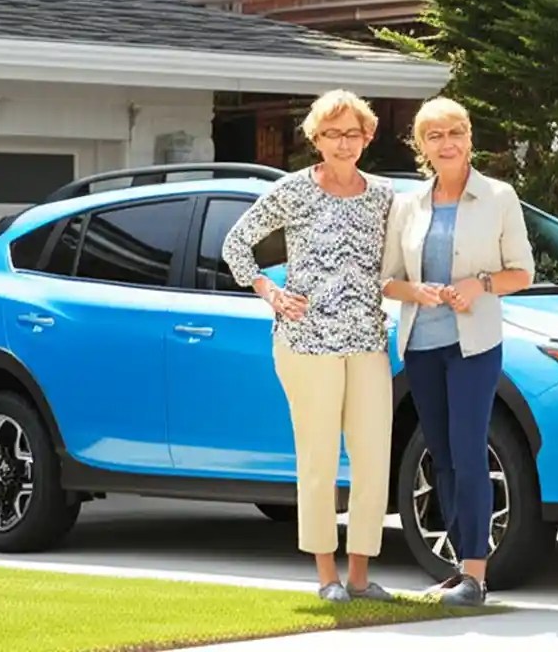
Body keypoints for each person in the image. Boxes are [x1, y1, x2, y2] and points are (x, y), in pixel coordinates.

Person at [222, 89, 395, 604]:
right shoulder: (294, 190)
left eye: (352, 133)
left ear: (368, 137)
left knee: (372, 457)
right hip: (306, 343)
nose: (342, 143)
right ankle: (326, 577)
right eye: (331, 134)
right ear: (315, 139)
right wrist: (269, 291)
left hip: (367, 339)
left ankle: (361, 574)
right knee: (318, 458)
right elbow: (236, 242)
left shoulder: (384, 196)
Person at [380, 96, 535, 606]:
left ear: (469, 137)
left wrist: (481, 284)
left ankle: (476, 574)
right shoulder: (407, 204)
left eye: (455, 133)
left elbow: (523, 271)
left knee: (469, 450)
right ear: (421, 146)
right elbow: (387, 281)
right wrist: (417, 292)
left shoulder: (498, 197)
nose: (446, 143)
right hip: (420, 344)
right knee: (440, 454)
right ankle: (456, 565)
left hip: (473, 345)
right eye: (434, 136)